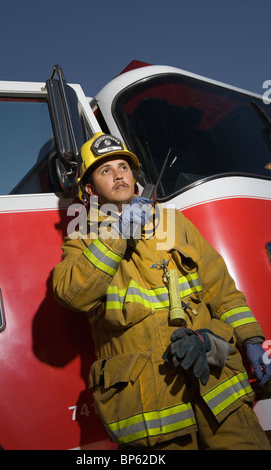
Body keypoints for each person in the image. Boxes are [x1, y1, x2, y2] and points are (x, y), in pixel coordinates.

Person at [53, 132, 271, 450]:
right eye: (105, 170)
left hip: (216, 381)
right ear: (89, 190)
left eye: (123, 167)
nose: (118, 174)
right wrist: (117, 234)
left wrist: (251, 338)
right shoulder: (83, 237)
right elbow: (71, 292)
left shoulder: (173, 221)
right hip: (153, 404)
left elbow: (221, 288)